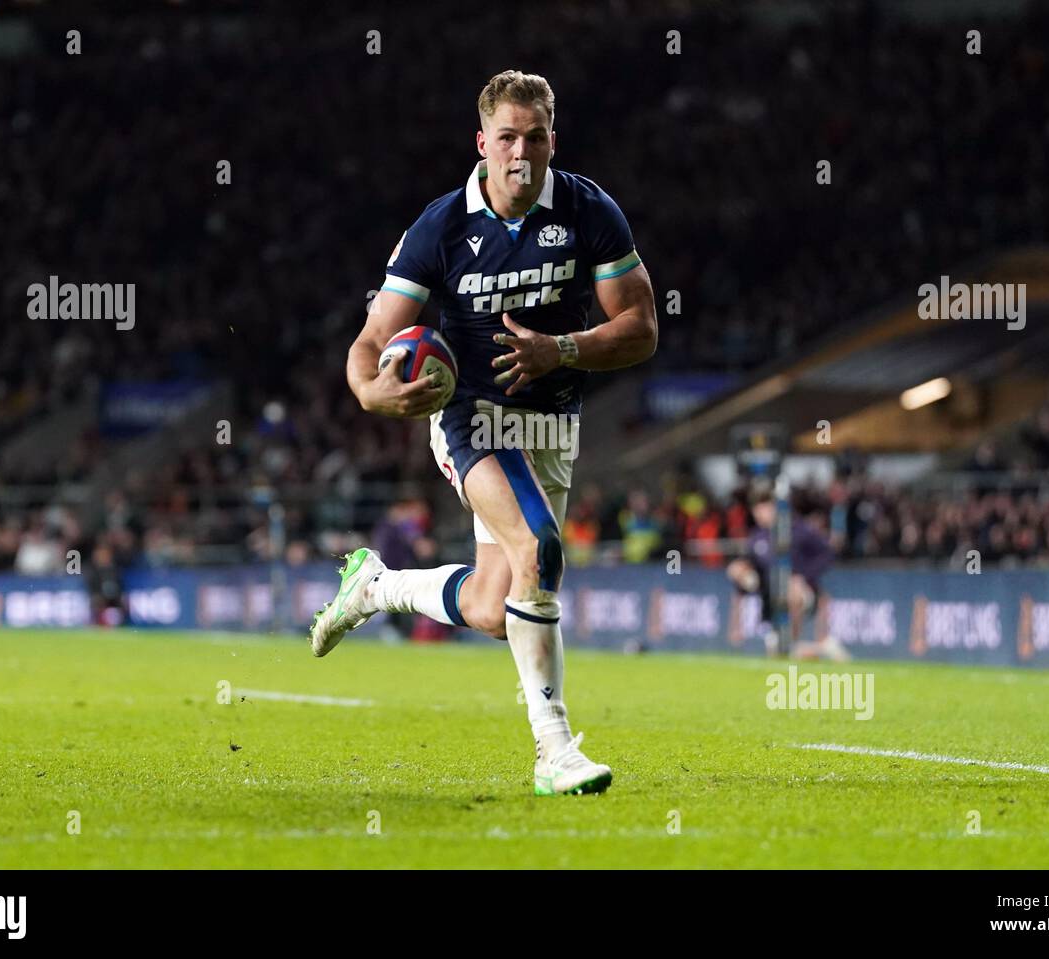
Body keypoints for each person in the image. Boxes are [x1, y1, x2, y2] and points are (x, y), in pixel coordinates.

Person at [312, 70, 657, 796]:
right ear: (482, 143)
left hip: (552, 424)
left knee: (492, 607)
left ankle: (376, 587)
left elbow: (641, 328)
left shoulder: (590, 211)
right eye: (507, 138)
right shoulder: (441, 226)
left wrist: (560, 350)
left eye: (535, 138)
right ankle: (555, 750)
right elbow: (371, 340)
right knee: (539, 549)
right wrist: (373, 390)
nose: (521, 153)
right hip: (472, 415)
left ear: (553, 141)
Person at [727, 490, 848, 661]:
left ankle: (792, 642)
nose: (760, 514)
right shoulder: (757, 537)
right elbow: (742, 581)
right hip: (770, 595)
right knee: (736, 568)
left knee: (792, 591)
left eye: (764, 508)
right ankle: (810, 646)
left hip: (804, 594)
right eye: (757, 510)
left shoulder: (799, 530)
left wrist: (804, 576)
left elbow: (827, 554)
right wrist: (736, 625)